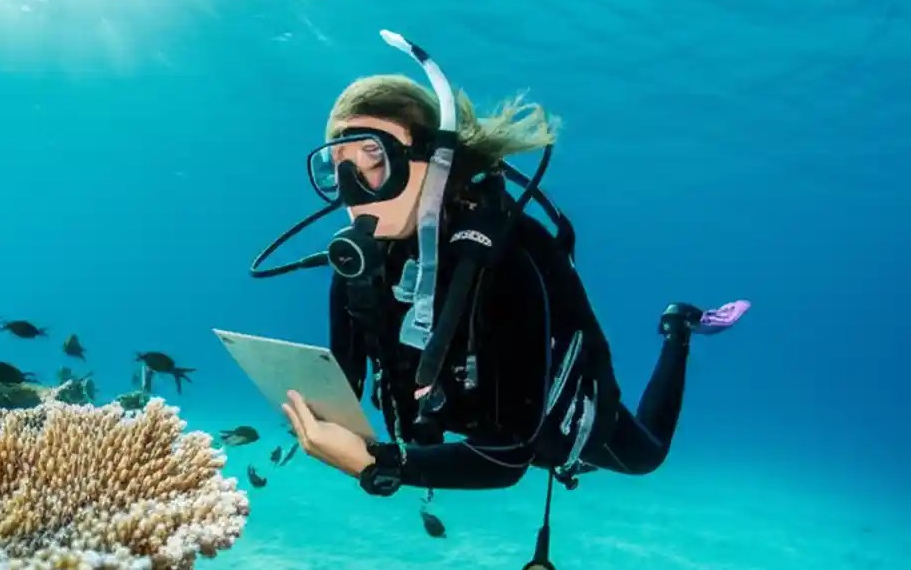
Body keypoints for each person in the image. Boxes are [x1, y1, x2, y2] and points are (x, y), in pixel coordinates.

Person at [251, 31, 749, 498]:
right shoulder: (359, 263)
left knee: (647, 458)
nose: (355, 195)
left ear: (436, 160)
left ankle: (678, 327)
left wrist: (380, 466)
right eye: (338, 170)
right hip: (469, 419)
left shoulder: (506, 258)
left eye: (375, 159)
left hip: (557, 420)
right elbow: (348, 381)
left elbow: (504, 462)